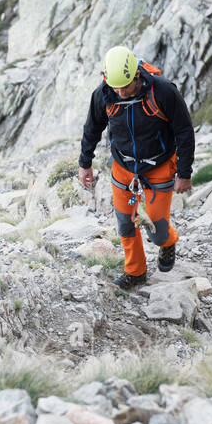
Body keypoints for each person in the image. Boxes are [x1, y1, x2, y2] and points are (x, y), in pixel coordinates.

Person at [77, 45, 195, 290]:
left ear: (137, 76)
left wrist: (184, 173)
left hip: (159, 164)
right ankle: (136, 272)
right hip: (124, 166)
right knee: (125, 222)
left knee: (156, 227)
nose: (120, 92)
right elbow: (92, 129)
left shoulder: (163, 92)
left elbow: (184, 131)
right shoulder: (103, 95)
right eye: (115, 86)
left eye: (125, 86)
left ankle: (168, 242)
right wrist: (84, 163)